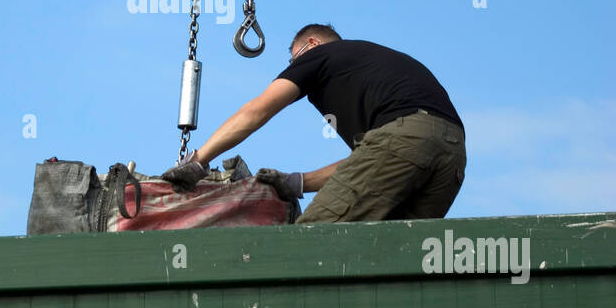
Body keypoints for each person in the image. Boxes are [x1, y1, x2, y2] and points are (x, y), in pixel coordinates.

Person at [161, 24, 466, 222]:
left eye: (295, 61)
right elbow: (371, 160)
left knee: (312, 240)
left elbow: (257, 111)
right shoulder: (368, 70)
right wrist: (298, 182)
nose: (295, 68)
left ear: (312, 43)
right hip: (451, 154)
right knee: (393, 254)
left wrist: (199, 161)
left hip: (407, 141)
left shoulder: (321, 55)